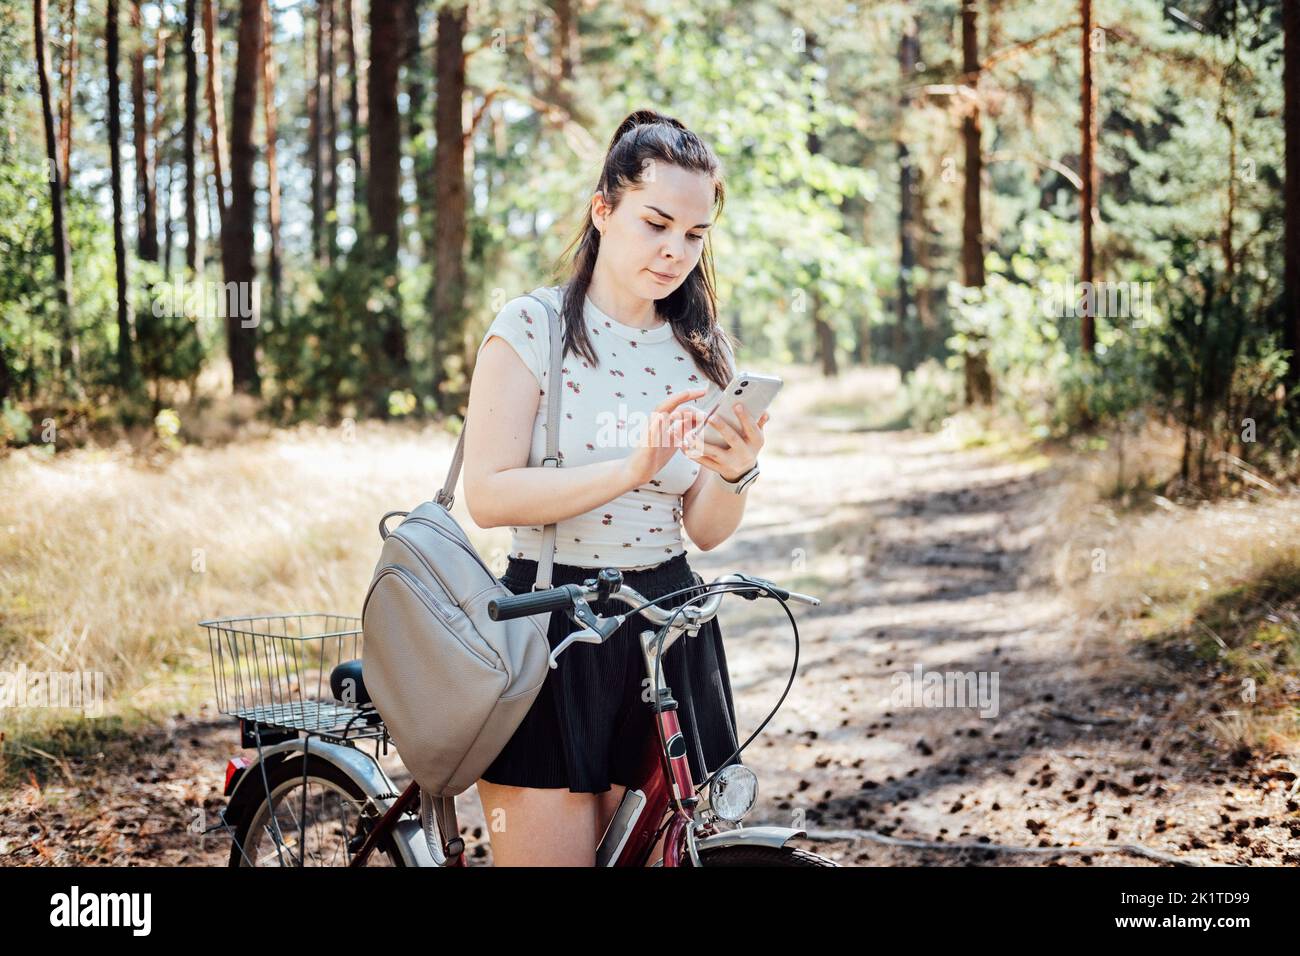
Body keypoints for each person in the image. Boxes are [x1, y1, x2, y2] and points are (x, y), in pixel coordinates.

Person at [462, 109, 771, 867]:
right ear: (603, 210)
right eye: (656, 224)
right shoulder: (531, 326)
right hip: (553, 623)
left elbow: (705, 529)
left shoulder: (703, 351)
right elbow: (488, 495)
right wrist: (631, 470)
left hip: (669, 624)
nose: (675, 252)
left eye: (694, 235)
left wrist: (736, 471)